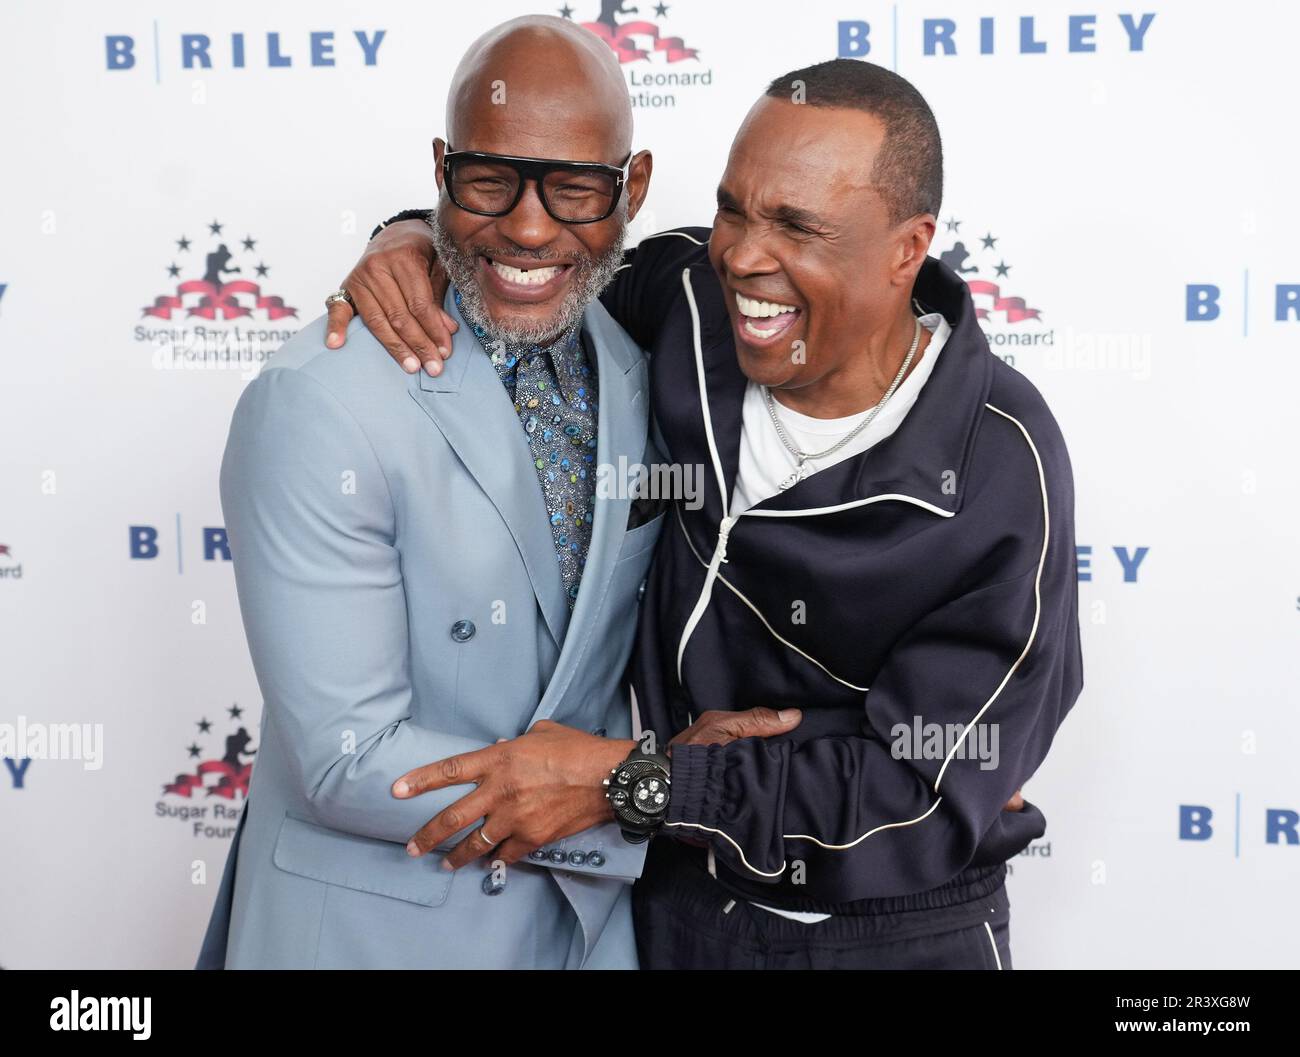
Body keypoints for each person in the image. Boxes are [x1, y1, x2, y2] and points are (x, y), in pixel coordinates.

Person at [331, 53, 1084, 969]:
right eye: (734, 208)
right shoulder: (690, 302)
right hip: (672, 906)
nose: (741, 256)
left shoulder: (1003, 465)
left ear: (906, 248)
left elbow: (915, 795)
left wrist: (638, 782)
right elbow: (537, 254)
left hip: (888, 937)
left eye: (797, 227)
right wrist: (407, 236)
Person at [196, 15, 798, 970]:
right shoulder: (315, 401)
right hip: (371, 937)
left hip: (581, 937)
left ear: (631, 188)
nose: (527, 226)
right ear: (442, 172)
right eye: (489, 180)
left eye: (573, 188)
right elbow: (345, 758)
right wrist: (638, 790)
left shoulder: (650, 359)